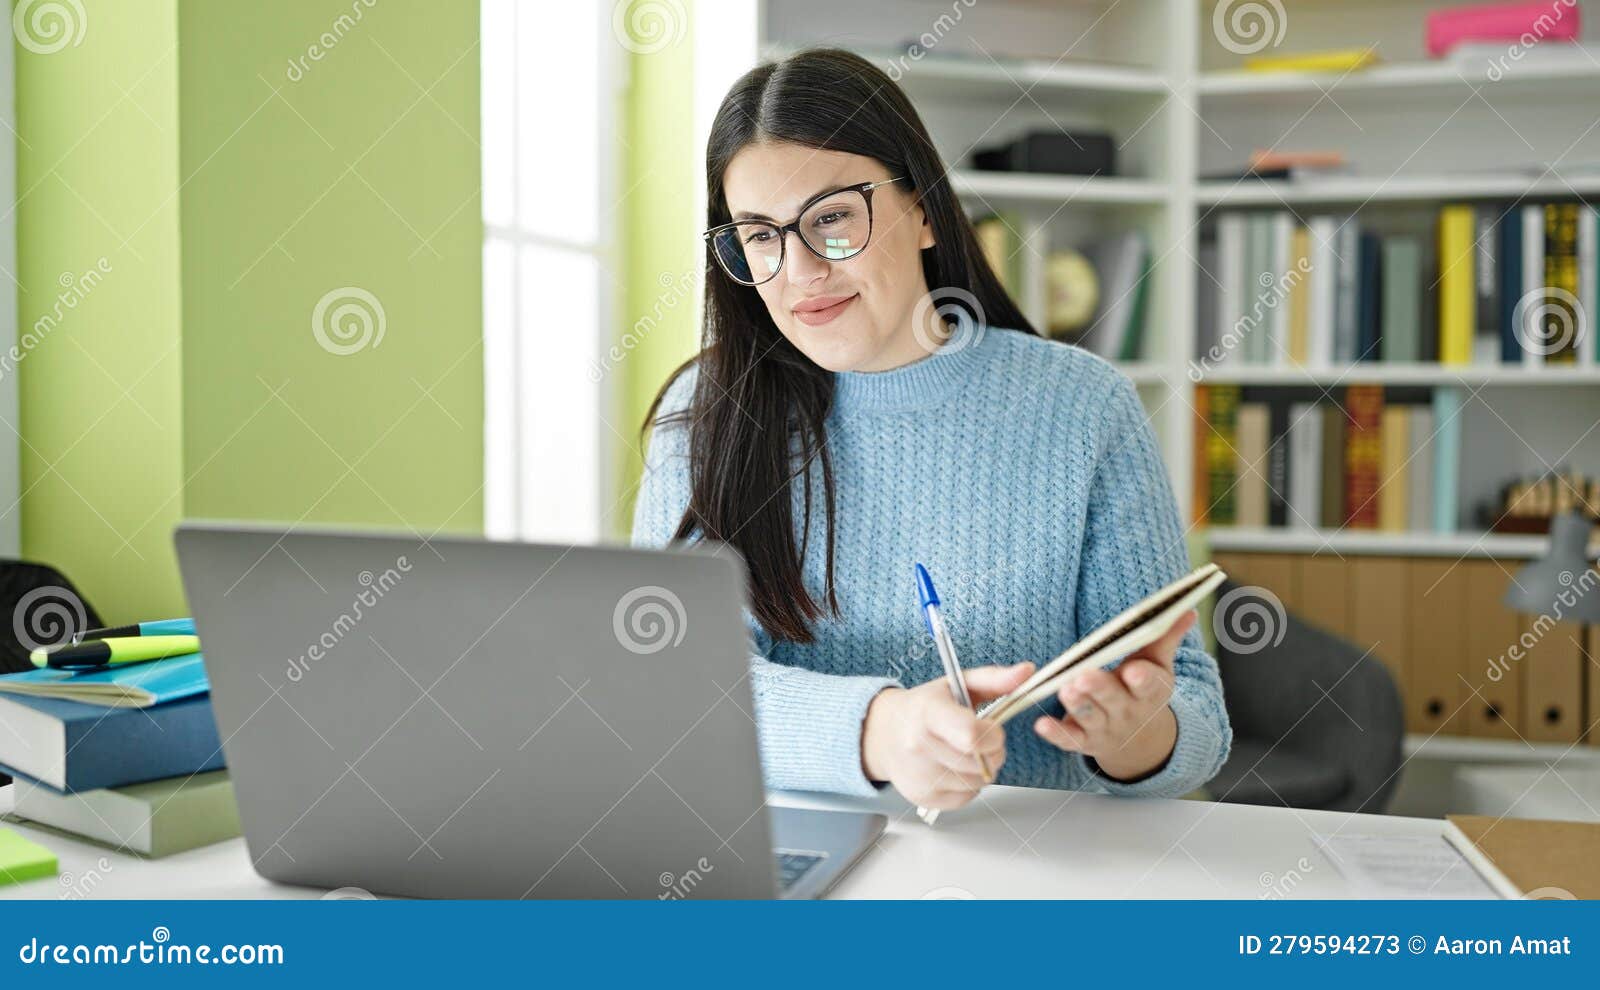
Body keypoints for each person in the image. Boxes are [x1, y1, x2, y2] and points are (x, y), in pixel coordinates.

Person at [632, 48, 1230, 811]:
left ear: (921, 210)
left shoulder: (1083, 407)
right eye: (760, 235)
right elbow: (673, 695)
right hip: (796, 870)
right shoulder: (707, 413)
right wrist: (881, 732)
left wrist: (1137, 739)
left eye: (833, 219)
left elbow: (1199, 716)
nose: (801, 271)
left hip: (1042, 877)